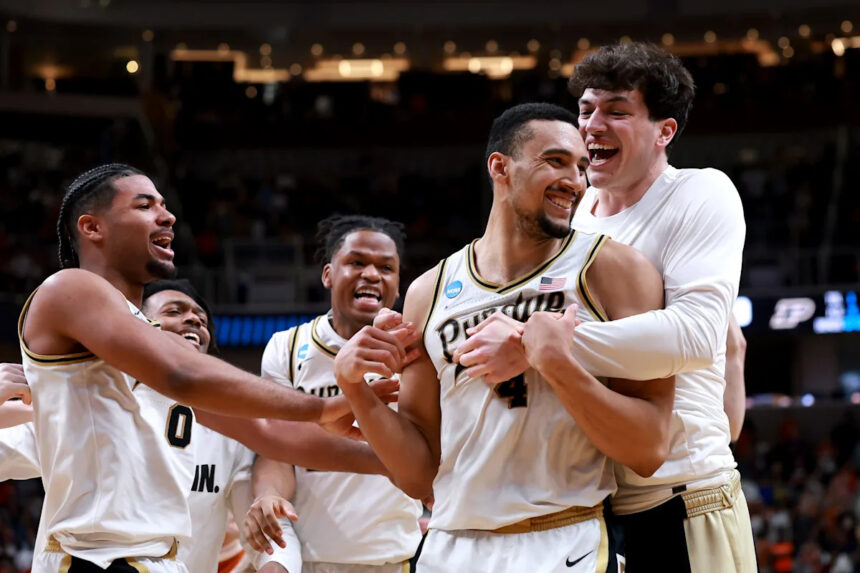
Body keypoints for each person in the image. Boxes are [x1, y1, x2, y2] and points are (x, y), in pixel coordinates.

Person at [333, 103, 675, 572]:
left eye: (580, 167)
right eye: (555, 161)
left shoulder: (614, 269)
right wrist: (355, 391)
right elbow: (418, 474)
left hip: (561, 537)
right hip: (449, 544)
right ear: (500, 167)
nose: (575, 181)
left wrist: (554, 363)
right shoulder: (428, 291)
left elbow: (649, 449)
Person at [18, 164, 373, 572]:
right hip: (95, 557)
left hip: (160, 560)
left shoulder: (153, 341)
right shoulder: (69, 287)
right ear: (92, 227)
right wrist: (323, 408)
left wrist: (388, 462)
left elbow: (266, 430)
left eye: (165, 206)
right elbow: (181, 374)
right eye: (145, 205)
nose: (167, 216)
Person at [567, 42, 755, 572]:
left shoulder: (700, 192)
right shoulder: (576, 212)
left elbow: (697, 336)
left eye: (617, 112)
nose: (592, 124)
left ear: (664, 131)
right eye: (586, 110)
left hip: (686, 496)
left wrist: (549, 349)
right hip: (596, 506)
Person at [0, 278, 305, 573]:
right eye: (174, 311)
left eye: (201, 319)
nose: (194, 321)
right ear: (135, 330)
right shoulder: (89, 410)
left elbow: (267, 525)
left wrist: (276, 564)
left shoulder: (230, 438)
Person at [249, 214, 424, 573]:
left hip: (392, 559)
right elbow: (276, 448)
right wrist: (269, 494)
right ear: (328, 274)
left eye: (386, 267)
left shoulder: (418, 350)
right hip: (308, 557)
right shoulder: (287, 347)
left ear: (397, 282)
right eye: (357, 262)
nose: (372, 275)